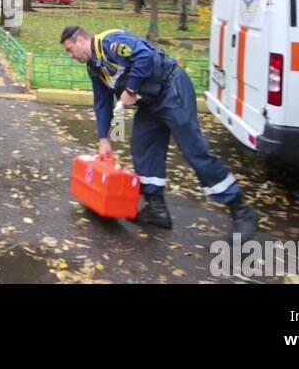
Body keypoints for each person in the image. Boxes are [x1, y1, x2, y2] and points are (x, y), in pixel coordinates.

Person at [61, 25, 260, 241]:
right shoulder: (94, 68)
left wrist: (130, 91)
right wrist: (103, 139)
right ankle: (156, 209)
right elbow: (102, 102)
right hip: (150, 103)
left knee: (194, 150)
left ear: (81, 41)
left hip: (171, 88)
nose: (71, 56)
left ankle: (241, 210)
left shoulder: (110, 43)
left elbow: (144, 55)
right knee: (143, 147)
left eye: (70, 50)